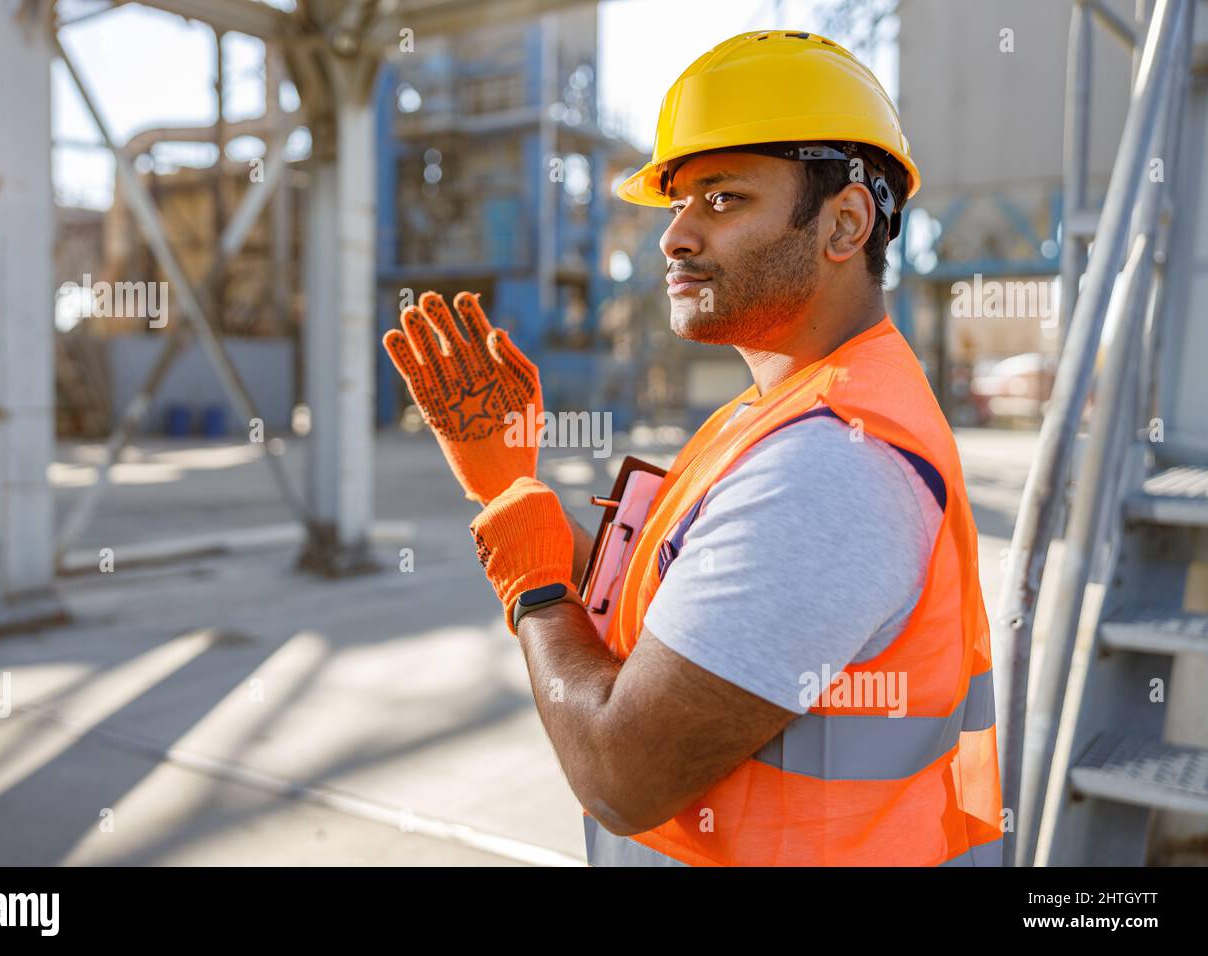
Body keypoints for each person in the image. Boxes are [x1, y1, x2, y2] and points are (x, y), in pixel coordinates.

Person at [383, 30, 1002, 867]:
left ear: (845, 223)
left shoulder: (830, 468)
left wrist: (529, 577)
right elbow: (673, 610)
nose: (674, 236)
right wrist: (512, 485)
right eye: (678, 201)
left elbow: (619, 774)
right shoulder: (777, 413)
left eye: (723, 198)